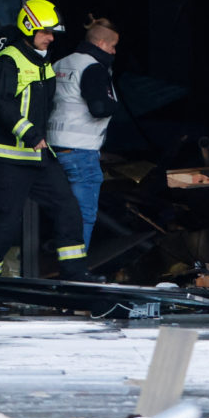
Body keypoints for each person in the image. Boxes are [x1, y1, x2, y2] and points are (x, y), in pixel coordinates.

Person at [0, 0, 98, 282]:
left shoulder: (44, 62)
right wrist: (29, 134)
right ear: (28, 29)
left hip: (38, 156)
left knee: (67, 209)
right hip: (8, 158)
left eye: (52, 33)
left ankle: (75, 274)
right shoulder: (7, 60)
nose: (50, 38)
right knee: (5, 220)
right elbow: (2, 104)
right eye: (45, 32)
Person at [47, 15, 120, 250]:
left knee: (63, 214)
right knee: (83, 216)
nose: (114, 51)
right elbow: (99, 108)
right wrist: (113, 105)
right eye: (112, 46)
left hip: (53, 149)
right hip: (81, 153)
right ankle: (74, 273)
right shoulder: (93, 68)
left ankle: (61, 267)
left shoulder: (59, 64)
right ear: (101, 44)